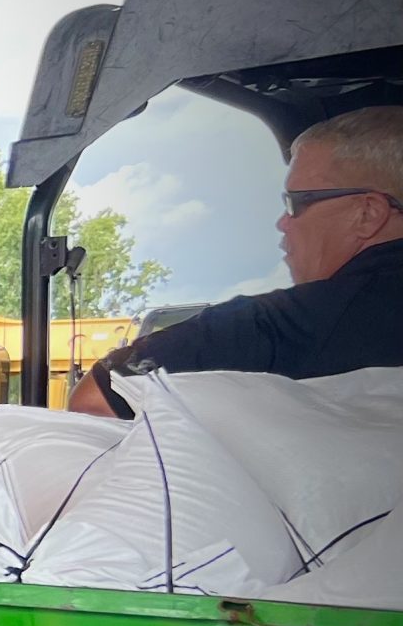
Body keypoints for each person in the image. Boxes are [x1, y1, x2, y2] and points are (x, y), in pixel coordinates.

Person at [73, 106, 403, 415]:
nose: (282, 223)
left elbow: (95, 400)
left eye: (296, 203)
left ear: (367, 214)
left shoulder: (278, 328)